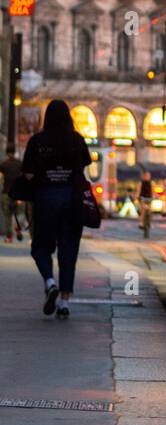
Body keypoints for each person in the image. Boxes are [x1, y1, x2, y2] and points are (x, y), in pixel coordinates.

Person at [21, 100, 92, 317]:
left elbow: (29, 174)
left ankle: (50, 282)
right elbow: (84, 167)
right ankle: (64, 303)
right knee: (68, 252)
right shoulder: (77, 141)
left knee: (41, 247)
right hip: (72, 202)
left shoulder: (37, 141)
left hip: (46, 200)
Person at [0, 148, 23, 242]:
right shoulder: (20, 163)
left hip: (6, 193)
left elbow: (0, 177)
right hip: (18, 193)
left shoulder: (3, 164)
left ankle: (9, 237)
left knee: (7, 215)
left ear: (6, 153)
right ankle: (18, 228)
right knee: (20, 213)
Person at [137, 170, 154, 239]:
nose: (147, 177)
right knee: (143, 210)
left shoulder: (152, 183)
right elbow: (138, 191)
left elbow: (153, 191)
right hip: (143, 198)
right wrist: (138, 197)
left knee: (150, 210)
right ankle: (141, 222)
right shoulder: (141, 183)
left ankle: (150, 223)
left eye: (148, 176)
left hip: (149, 199)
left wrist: (155, 197)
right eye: (146, 176)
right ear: (144, 176)